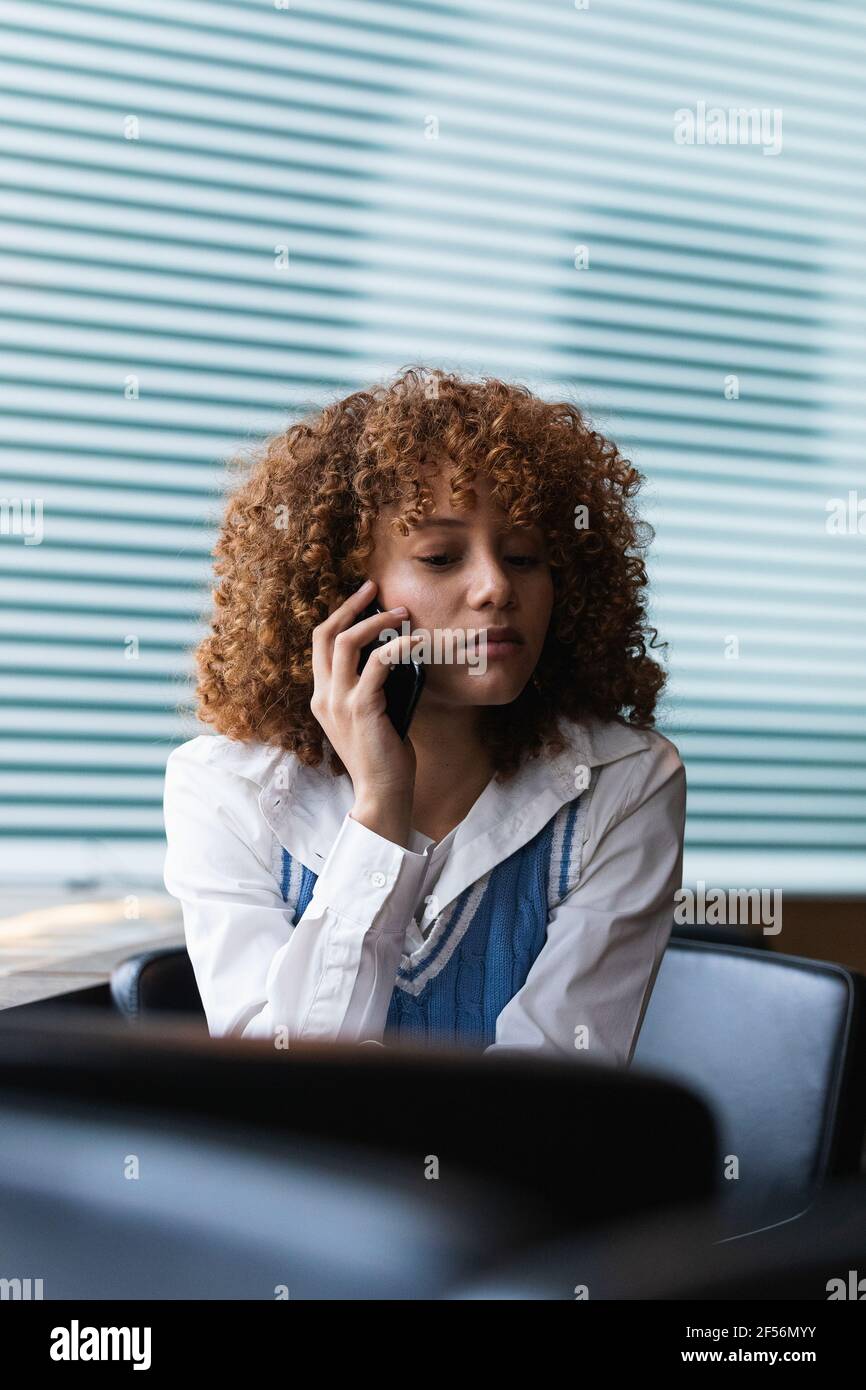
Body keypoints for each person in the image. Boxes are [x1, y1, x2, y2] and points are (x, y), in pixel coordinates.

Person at [163, 366, 686, 1064]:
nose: (497, 587)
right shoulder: (226, 787)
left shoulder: (625, 781)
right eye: (440, 558)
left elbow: (556, 1099)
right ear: (344, 593)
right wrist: (381, 808)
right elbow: (289, 1087)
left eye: (526, 556)